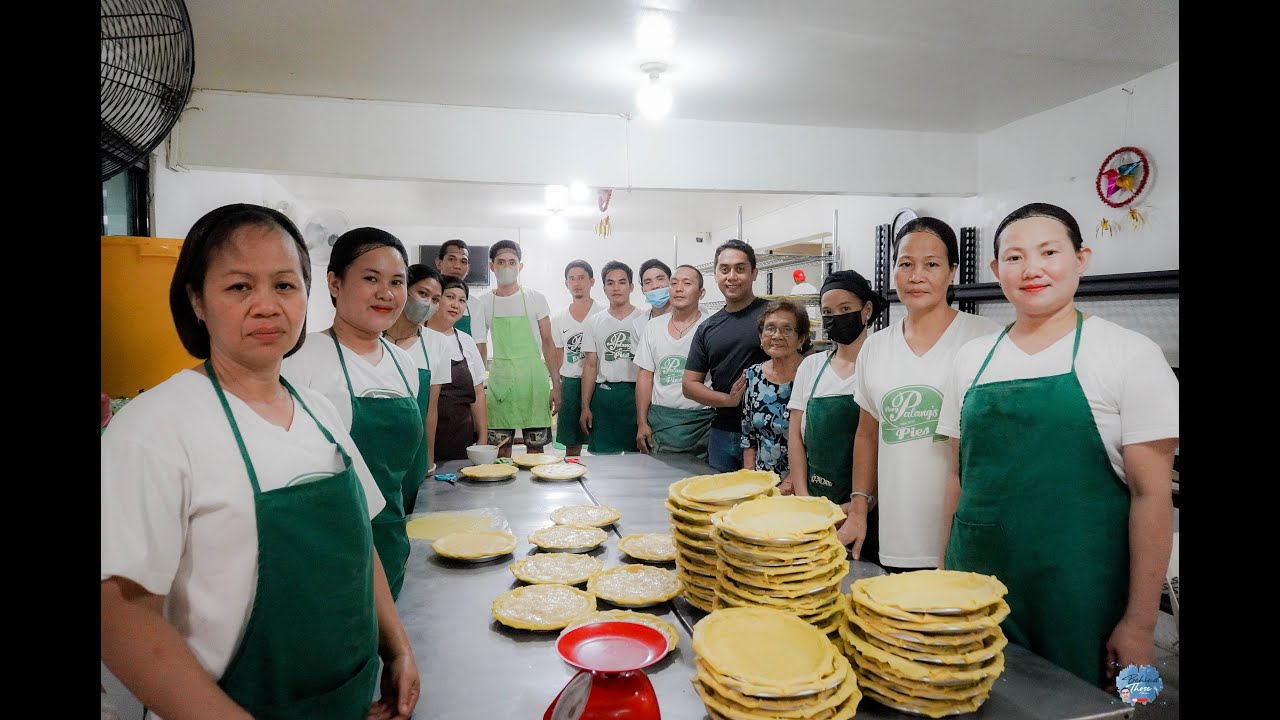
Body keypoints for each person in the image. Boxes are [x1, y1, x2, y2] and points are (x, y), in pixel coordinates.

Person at [101, 203, 419, 720]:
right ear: (196, 301)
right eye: (239, 287)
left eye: (285, 286)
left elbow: (362, 546)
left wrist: (397, 646)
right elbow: (118, 614)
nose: (267, 306)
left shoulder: (318, 413)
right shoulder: (153, 428)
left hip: (350, 701)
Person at [937, 203, 1178, 687]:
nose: (1032, 270)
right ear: (995, 269)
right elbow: (957, 476)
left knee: (1098, 704)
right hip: (975, 586)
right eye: (1014, 257)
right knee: (968, 699)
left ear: (1081, 258)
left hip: (1083, 594)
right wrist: (942, 575)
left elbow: (1153, 498)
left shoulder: (1129, 354)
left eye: (1049, 252)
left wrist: (1140, 624)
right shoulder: (971, 359)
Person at [838, 218, 1001, 572]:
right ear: (893, 270)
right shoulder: (875, 347)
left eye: (932, 264)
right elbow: (867, 435)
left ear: (952, 272)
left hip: (968, 531)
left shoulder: (987, 340)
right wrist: (860, 507)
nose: (916, 276)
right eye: (906, 264)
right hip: (898, 533)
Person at [282, 227, 421, 600]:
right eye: (370, 279)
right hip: (325, 551)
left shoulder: (404, 365)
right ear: (334, 283)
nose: (386, 293)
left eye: (396, 281)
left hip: (390, 539)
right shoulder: (301, 360)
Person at [787, 271, 886, 555]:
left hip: (867, 510)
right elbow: (795, 435)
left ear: (866, 310)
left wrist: (860, 505)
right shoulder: (811, 367)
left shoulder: (882, 365)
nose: (835, 318)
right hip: (814, 508)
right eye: (827, 312)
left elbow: (881, 442)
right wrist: (805, 499)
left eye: (845, 310)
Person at [684, 239, 769, 471]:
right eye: (724, 269)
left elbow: (805, 367)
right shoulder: (707, 327)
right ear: (715, 275)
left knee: (768, 504)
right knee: (722, 504)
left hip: (770, 434)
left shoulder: (774, 317)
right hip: (723, 433)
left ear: (754, 273)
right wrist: (727, 400)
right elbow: (689, 385)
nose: (732, 276)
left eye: (740, 269)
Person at [472, 240, 561, 456]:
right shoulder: (481, 303)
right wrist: (477, 390)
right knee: (500, 448)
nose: (507, 267)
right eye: (501, 262)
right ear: (492, 266)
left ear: (520, 266)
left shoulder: (536, 299)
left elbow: (548, 343)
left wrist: (556, 385)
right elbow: (480, 347)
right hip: (500, 381)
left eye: (512, 262)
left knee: (536, 447)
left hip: (533, 381)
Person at [385, 263, 452, 514]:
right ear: (403, 290)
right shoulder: (372, 339)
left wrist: (429, 462)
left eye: (435, 299)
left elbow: (430, 409)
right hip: (376, 450)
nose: (428, 304)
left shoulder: (437, 344)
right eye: (422, 294)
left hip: (414, 455)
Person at [635, 264, 715, 454]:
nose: (679, 288)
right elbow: (645, 377)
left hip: (702, 422)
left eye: (687, 283)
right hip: (661, 421)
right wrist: (642, 422)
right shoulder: (653, 327)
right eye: (674, 283)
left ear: (701, 293)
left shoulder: (712, 327)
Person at [579, 260, 649, 454]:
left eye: (622, 282)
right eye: (610, 283)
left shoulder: (645, 320)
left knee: (640, 459)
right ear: (603, 288)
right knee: (603, 460)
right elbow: (590, 366)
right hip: (605, 396)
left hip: (637, 395)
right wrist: (585, 406)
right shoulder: (594, 322)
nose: (616, 288)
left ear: (632, 287)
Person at [740, 300, 809, 478]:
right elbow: (749, 436)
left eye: (787, 329)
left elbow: (820, 442)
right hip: (765, 483)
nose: (777, 336)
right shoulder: (754, 375)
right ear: (761, 337)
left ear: (801, 338)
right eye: (770, 328)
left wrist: (793, 482)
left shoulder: (812, 374)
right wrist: (750, 478)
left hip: (806, 482)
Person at [426, 275, 489, 461]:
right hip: (424, 439)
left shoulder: (466, 342)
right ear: (436, 299)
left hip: (461, 436)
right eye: (450, 297)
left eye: (462, 300)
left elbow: (478, 393)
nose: (456, 305)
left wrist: (483, 438)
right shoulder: (418, 337)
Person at [551, 260, 603, 456]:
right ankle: (572, 474)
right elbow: (558, 355)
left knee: (601, 439)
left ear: (592, 281)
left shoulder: (604, 313)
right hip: (571, 384)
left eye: (581, 278)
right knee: (572, 441)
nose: (576, 283)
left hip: (600, 383)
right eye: (571, 279)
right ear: (566, 284)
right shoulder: (558, 319)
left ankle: (602, 482)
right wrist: (557, 386)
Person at [434, 238, 479, 336]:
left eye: (463, 261)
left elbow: (479, 344)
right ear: (439, 263)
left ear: (468, 268)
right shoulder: (425, 297)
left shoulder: (475, 304)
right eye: (451, 259)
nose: (457, 266)